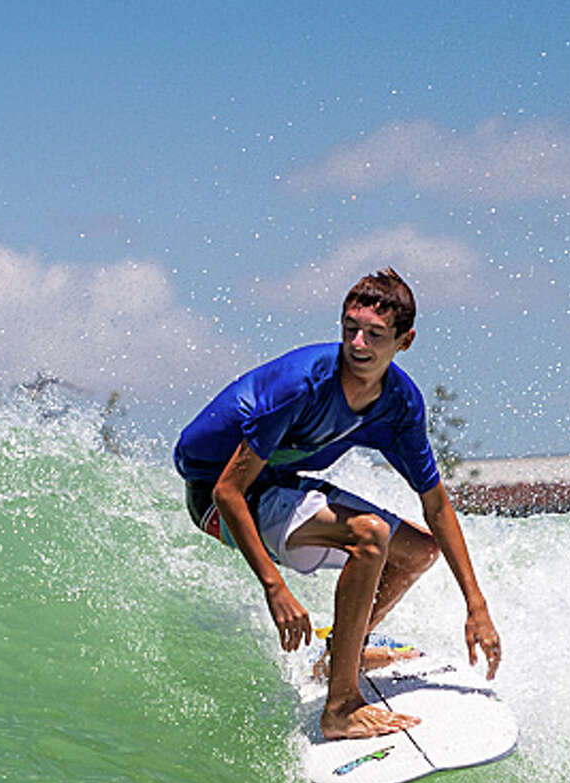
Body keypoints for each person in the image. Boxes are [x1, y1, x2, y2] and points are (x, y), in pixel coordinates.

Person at [173, 268, 501, 740]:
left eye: (375, 334)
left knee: (417, 550)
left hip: (278, 482)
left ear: (404, 341)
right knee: (370, 536)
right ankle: (341, 707)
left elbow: (437, 507)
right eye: (351, 329)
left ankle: (342, 655)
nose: (359, 344)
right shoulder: (301, 384)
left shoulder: (400, 404)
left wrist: (476, 606)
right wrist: (274, 586)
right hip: (217, 494)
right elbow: (227, 491)